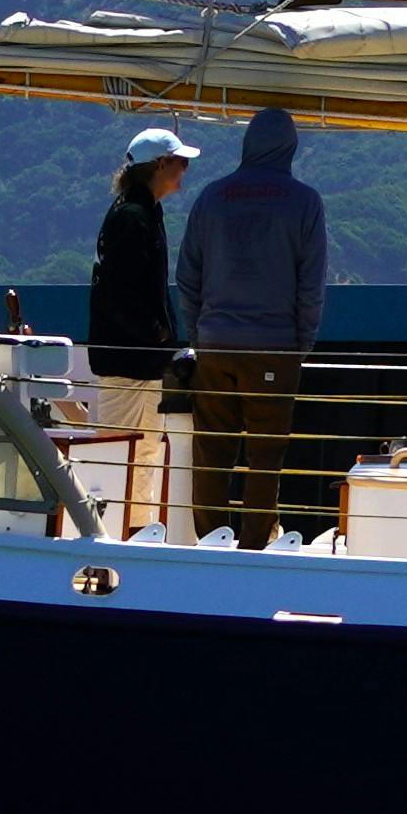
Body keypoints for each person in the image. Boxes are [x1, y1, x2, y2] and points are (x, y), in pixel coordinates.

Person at [171, 105, 330, 537]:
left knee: (212, 450)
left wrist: (198, 335)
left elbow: (187, 277)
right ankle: (256, 542)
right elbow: (310, 286)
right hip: (274, 348)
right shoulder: (305, 202)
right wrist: (301, 346)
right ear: (290, 148)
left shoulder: (211, 196)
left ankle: (209, 538)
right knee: (265, 454)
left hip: (215, 342)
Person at [81, 128, 189, 375]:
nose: (185, 169)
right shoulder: (133, 217)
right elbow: (117, 293)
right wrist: (158, 334)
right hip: (127, 361)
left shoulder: (140, 211)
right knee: (122, 416)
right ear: (161, 165)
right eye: (182, 162)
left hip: (136, 359)